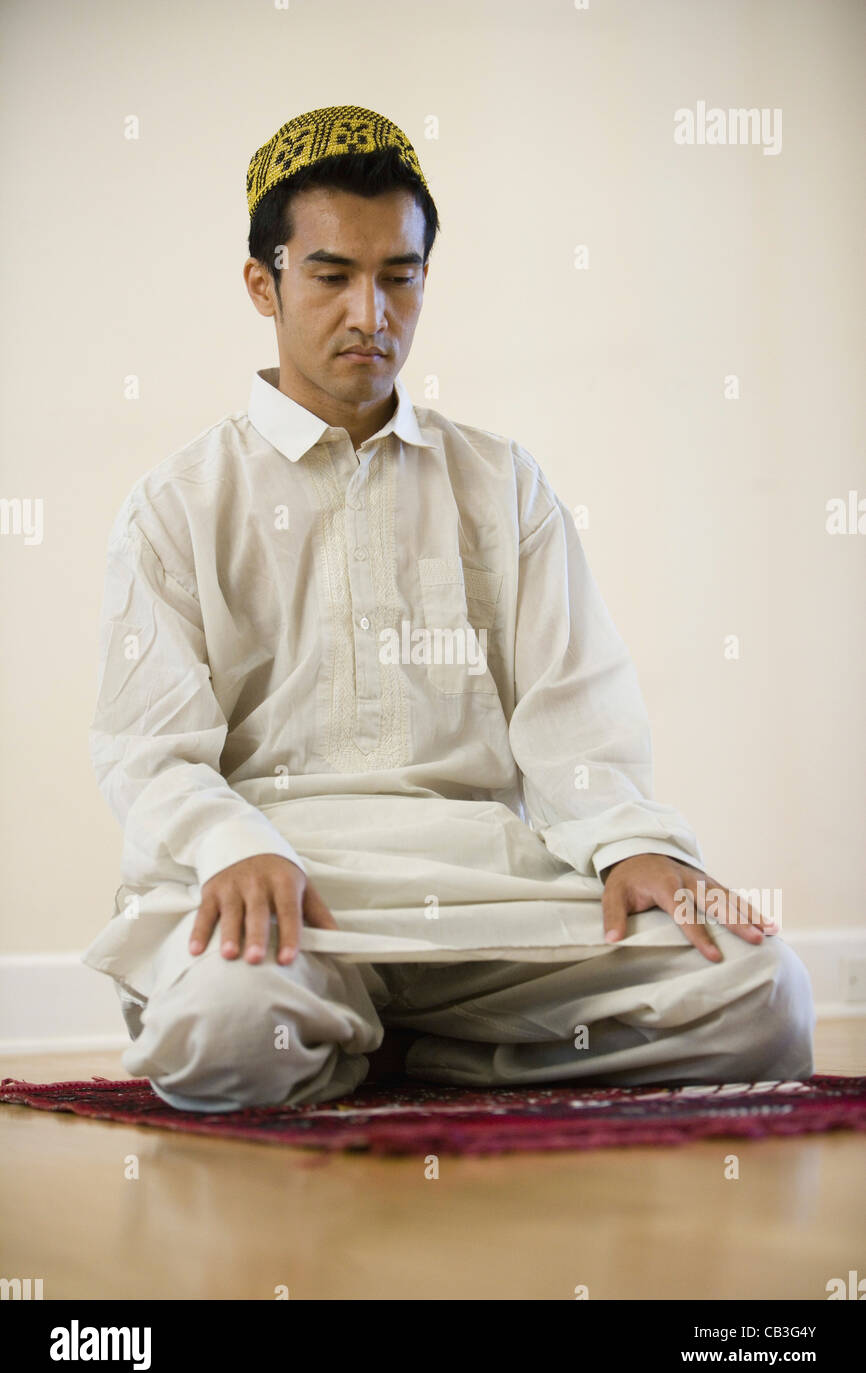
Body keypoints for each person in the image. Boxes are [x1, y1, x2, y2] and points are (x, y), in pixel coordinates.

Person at [82, 104, 814, 1112]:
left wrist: (631, 841)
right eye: (332, 275)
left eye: (399, 276)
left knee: (762, 996)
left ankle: (397, 1053)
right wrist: (232, 845)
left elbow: (576, 716)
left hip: (487, 891)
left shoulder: (500, 482)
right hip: (289, 891)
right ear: (265, 282)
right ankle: (399, 1041)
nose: (369, 315)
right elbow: (148, 750)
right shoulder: (177, 503)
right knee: (221, 1032)